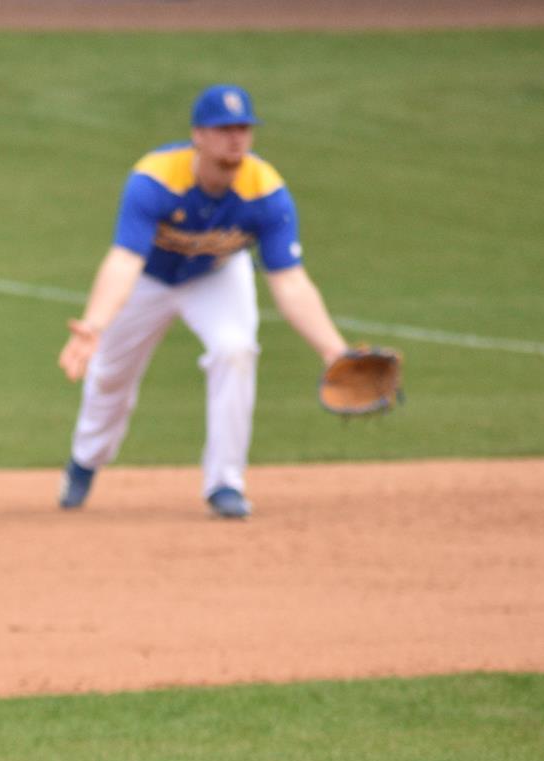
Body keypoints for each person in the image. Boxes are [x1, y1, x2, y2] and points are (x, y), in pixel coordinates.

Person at [56, 84, 353, 519]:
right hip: (149, 278)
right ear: (198, 134)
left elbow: (290, 282)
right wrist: (96, 325)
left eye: (243, 128)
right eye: (223, 128)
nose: (235, 138)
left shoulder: (266, 192)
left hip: (216, 274)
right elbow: (125, 258)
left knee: (235, 351)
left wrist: (334, 350)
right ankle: (85, 461)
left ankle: (225, 483)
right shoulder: (154, 179)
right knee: (110, 377)